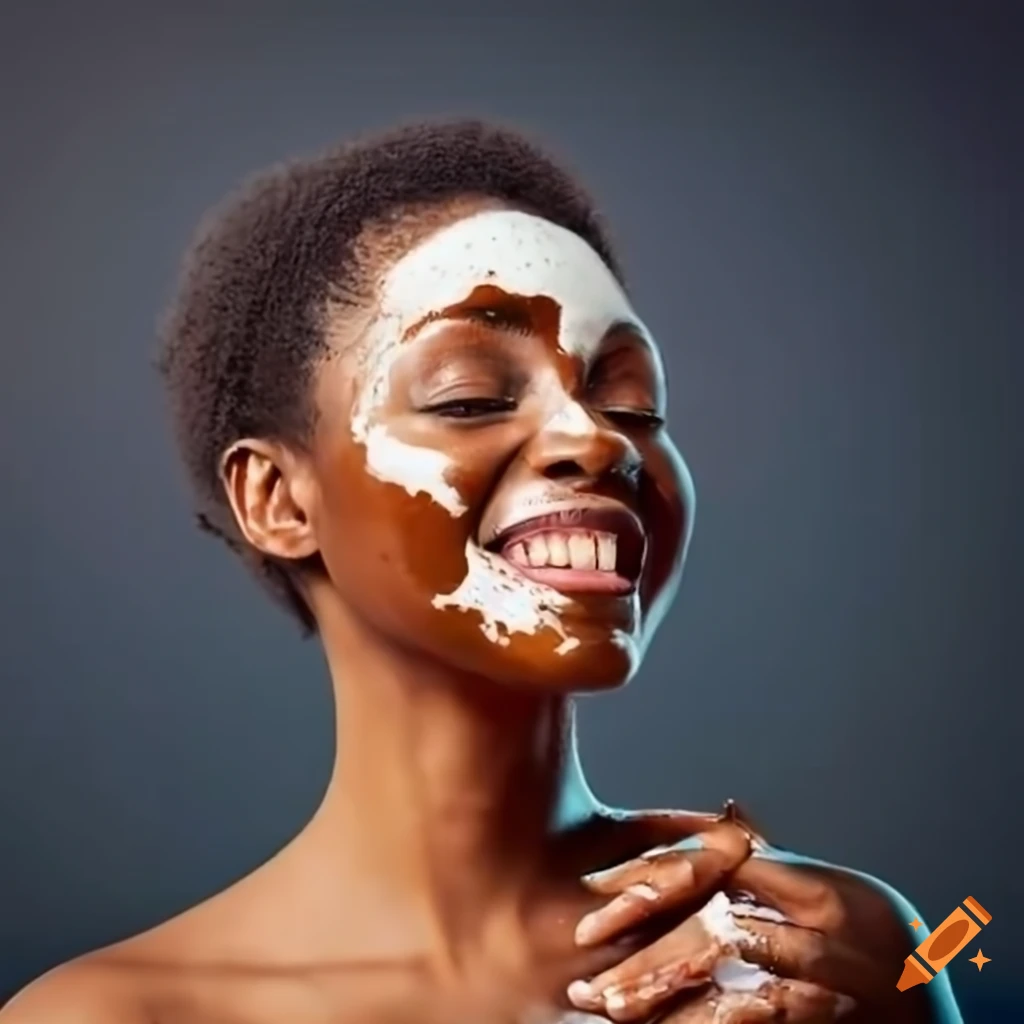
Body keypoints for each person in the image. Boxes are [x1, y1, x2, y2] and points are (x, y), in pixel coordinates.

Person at [1, 120, 961, 1024]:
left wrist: (920, 1002)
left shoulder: (825, 953)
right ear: (280, 501)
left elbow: (976, 943)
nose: (595, 439)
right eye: (468, 395)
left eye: (633, 405)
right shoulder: (109, 1016)